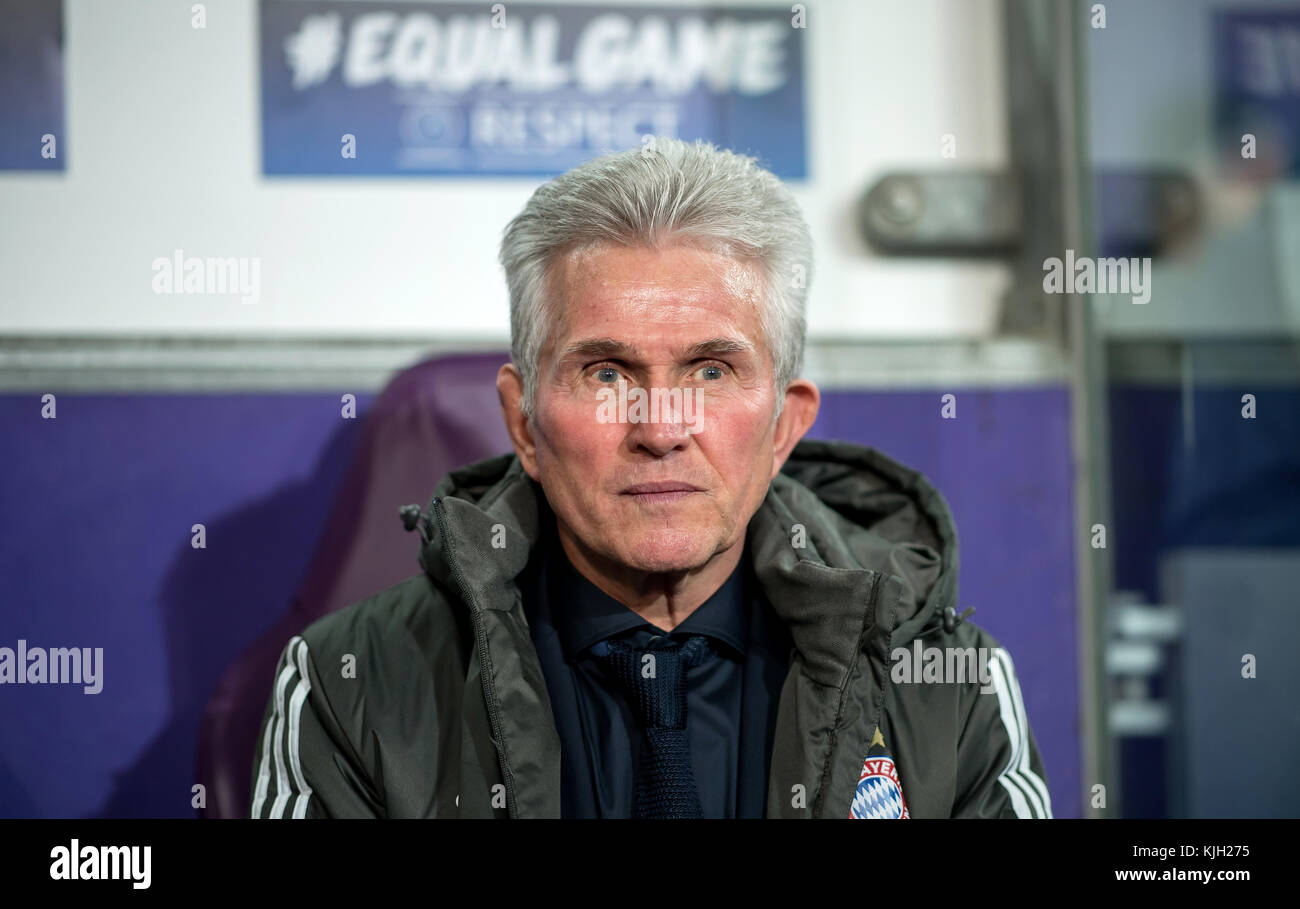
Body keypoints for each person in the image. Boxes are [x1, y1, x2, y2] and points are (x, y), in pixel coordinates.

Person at [250, 138, 1051, 819]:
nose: (661, 426)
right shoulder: (347, 682)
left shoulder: (952, 688)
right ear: (524, 421)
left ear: (783, 426)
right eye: (605, 372)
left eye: (710, 369)